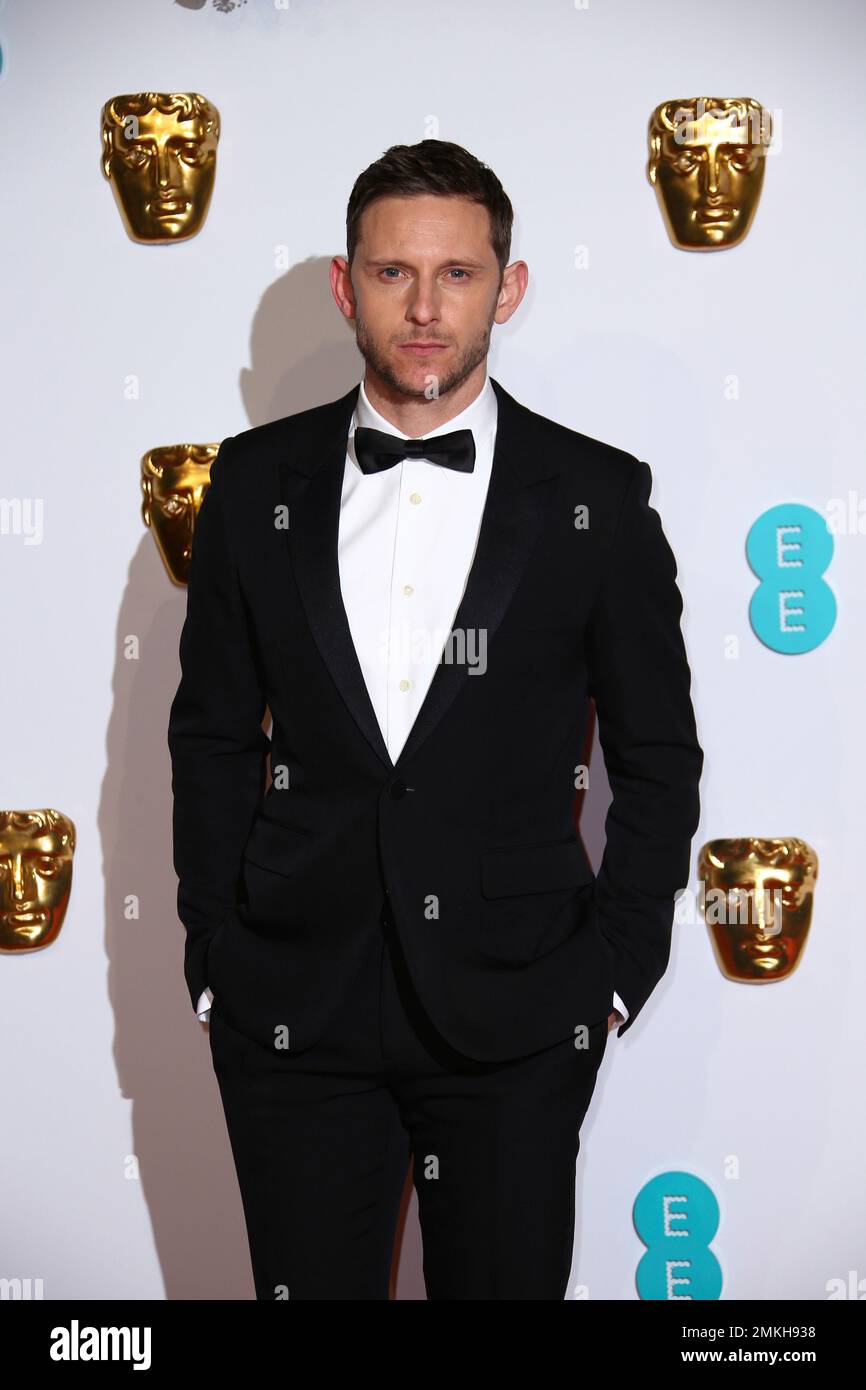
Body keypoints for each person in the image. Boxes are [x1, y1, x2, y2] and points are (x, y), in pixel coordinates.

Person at [167, 138, 703, 1300]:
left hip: (518, 1015)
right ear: (343, 286)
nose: (423, 309)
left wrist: (611, 974)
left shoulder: (594, 497)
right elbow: (210, 732)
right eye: (391, 273)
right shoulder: (251, 485)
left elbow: (655, 757)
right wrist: (214, 953)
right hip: (293, 1014)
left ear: (505, 288)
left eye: (455, 275)